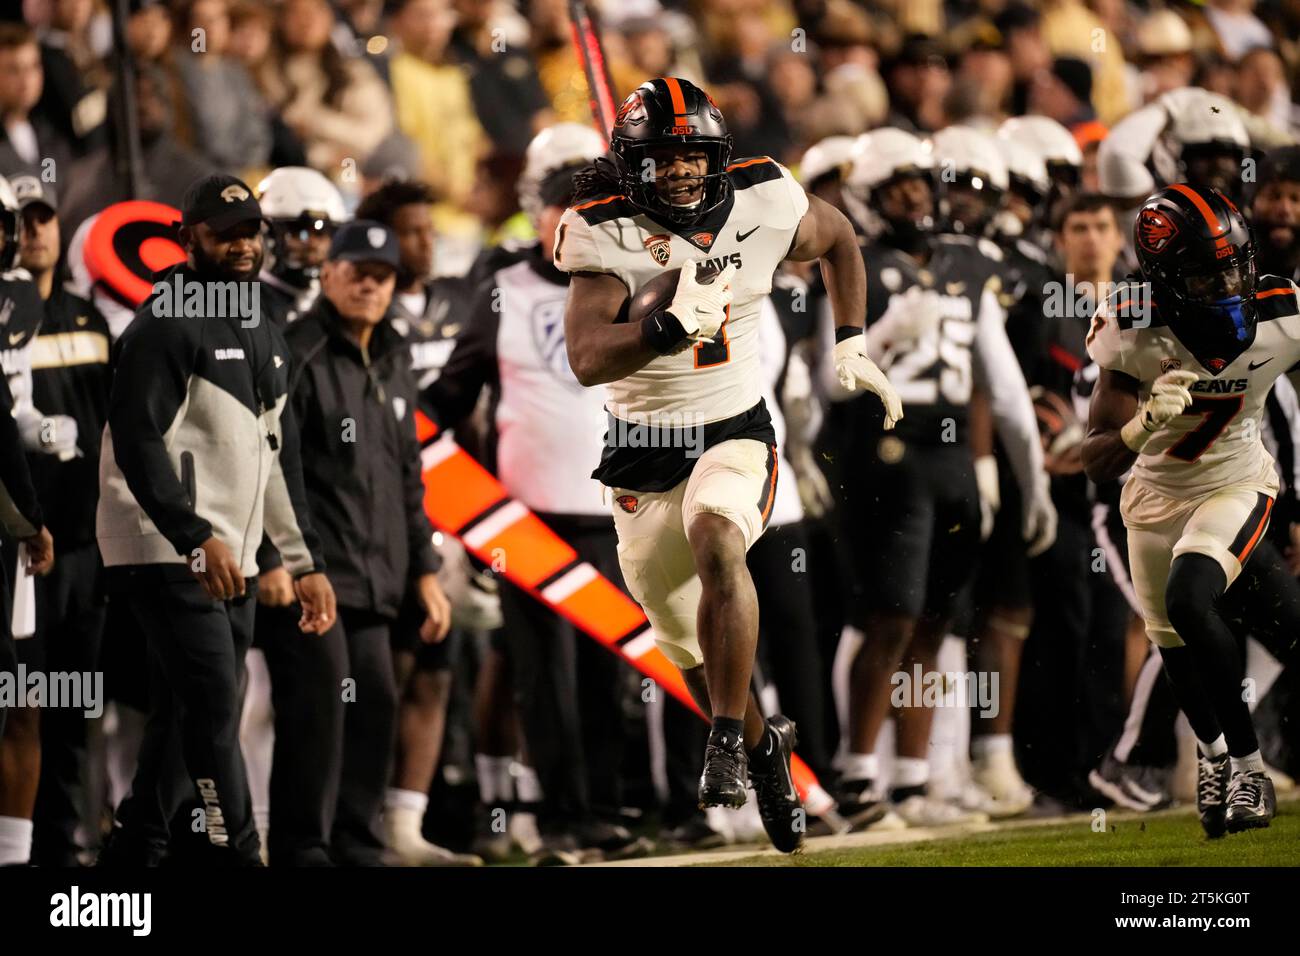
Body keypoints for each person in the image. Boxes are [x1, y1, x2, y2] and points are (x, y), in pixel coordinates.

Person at [554, 77, 901, 854]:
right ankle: (761, 744)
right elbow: (586, 357)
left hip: (734, 426)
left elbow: (840, 239)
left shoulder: (764, 197)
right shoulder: (602, 228)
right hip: (643, 447)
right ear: (634, 164)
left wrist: (850, 339)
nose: (681, 171)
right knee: (685, 646)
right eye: (664, 157)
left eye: (694, 155)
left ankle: (723, 743)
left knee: (717, 536)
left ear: (719, 156)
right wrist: (662, 329)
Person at [96, 174, 334, 866]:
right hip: (168, 550)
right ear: (187, 238)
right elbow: (137, 441)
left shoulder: (259, 323)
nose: (242, 245)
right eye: (224, 233)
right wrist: (195, 537)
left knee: (188, 712)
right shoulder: (163, 322)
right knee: (212, 709)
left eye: (251, 231)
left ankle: (133, 854)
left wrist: (304, 560)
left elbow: (278, 455)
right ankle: (241, 856)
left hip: (232, 552)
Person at [828, 127, 1052, 827]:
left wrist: (1031, 478)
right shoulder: (856, 264)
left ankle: (912, 781)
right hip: (890, 458)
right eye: (897, 188)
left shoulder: (967, 263)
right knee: (889, 620)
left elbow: (1004, 387)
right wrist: (884, 335)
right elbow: (828, 383)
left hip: (953, 464)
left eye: (920, 185)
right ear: (869, 199)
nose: (914, 199)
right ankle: (857, 777)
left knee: (934, 623)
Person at [1082, 183, 1300, 835]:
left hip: (1236, 481)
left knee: (1189, 594)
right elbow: (1096, 459)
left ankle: (1250, 770)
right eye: (1208, 274)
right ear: (1166, 280)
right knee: (1173, 642)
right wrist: (1143, 424)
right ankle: (1212, 757)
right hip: (1154, 495)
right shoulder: (1132, 326)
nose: (1229, 284)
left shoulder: (1283, 313)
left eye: (1236, 266)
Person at [266, 220, 452, 866]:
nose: (370, 286)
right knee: (319, 705)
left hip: (379, 574)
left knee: (374, 700)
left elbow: (407, 470)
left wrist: (424, 569)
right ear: (328, 274)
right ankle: (302, 846)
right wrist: (283, 559)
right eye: (357, 273)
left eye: (382, 277)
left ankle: (356, 842)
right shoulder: (296, 351)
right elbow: (274, 466)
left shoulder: (395, 354)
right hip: (316, 572)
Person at [9, 175, 112, 866]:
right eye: (22, 219)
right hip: (23, 544)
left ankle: (64, 840)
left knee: (78, 699)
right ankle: (20, 844)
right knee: (24, 699)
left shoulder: (91, 319)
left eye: (43, 217)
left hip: (86, 541)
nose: (35, 231)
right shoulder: (5, 318)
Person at [255, 166, 347, 326]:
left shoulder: (336, 302)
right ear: (265, 232)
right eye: (299, 232)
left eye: (321, 233)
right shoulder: (239, 301)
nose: (313, 244)